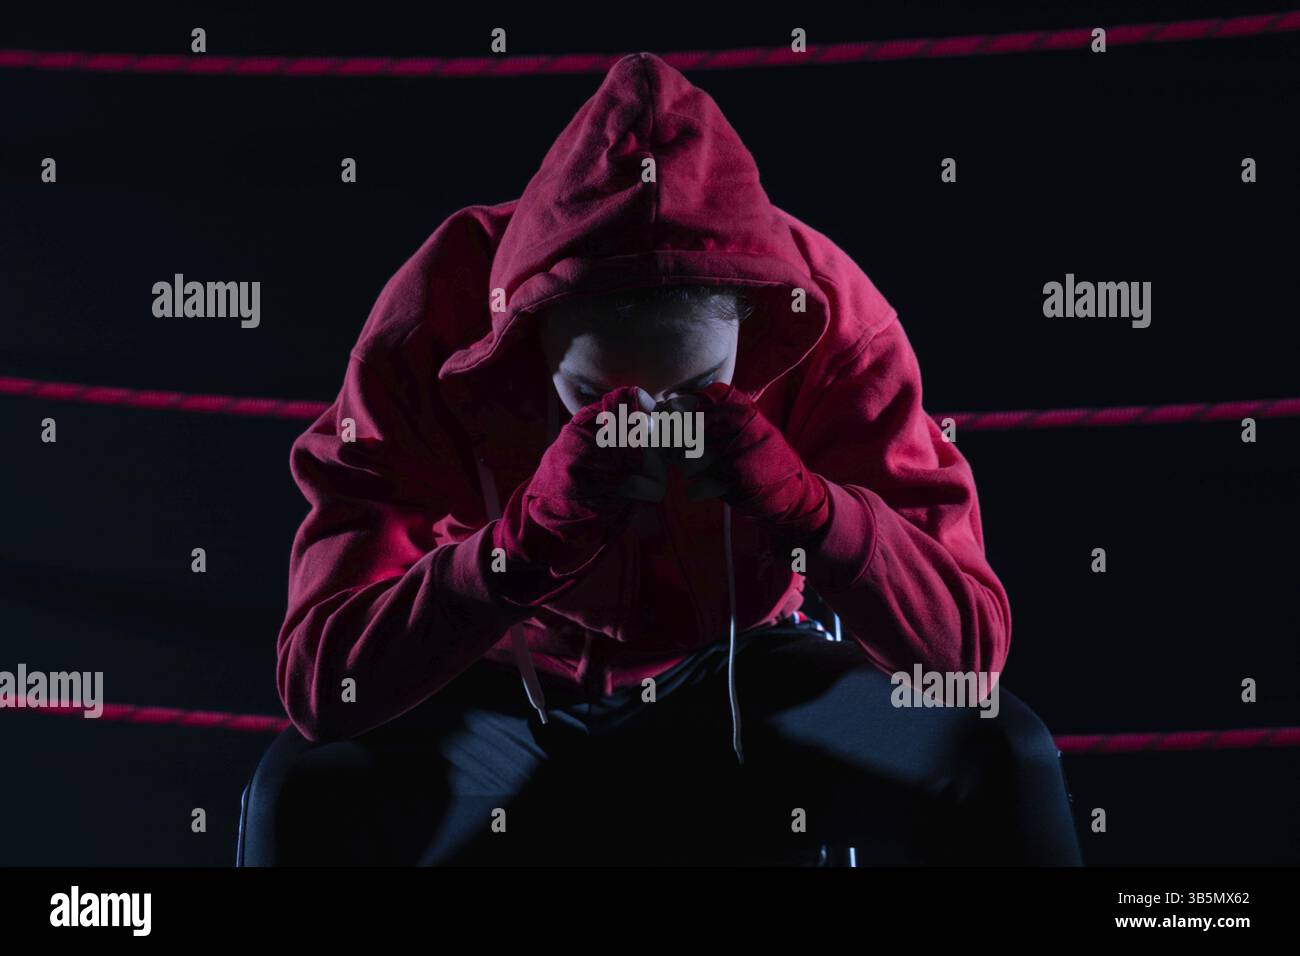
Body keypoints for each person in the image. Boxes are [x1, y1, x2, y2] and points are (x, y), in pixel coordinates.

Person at [247, 52, 1083, 866]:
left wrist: (815, 516)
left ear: (751, 329)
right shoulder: (435, 318)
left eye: (694, 386)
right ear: (529, 337)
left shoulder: (837, 323)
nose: (650, 427)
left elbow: (966, 659)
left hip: (740, 664)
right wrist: (516, 552)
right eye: (594, 392)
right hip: (506, 675)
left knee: (1001, 752)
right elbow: (323, 683)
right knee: (303, 790)